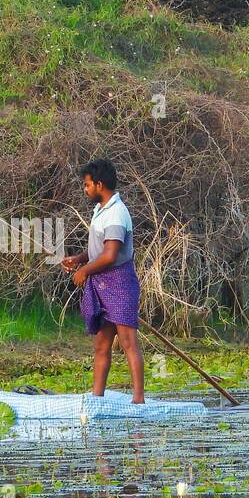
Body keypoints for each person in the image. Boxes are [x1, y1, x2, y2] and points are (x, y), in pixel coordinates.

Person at [61, 159, 144, 404]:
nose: (85, 189)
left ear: (99, 184)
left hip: (119, 284)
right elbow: (100, 248)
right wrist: (79, 259)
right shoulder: (101, 210)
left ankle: (138, 400)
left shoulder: (117, 212)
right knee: (101, 344)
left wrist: (84, 271)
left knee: (128, 343)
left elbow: (110, 255)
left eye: (87, 185)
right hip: (102, 285)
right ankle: (97, 397)